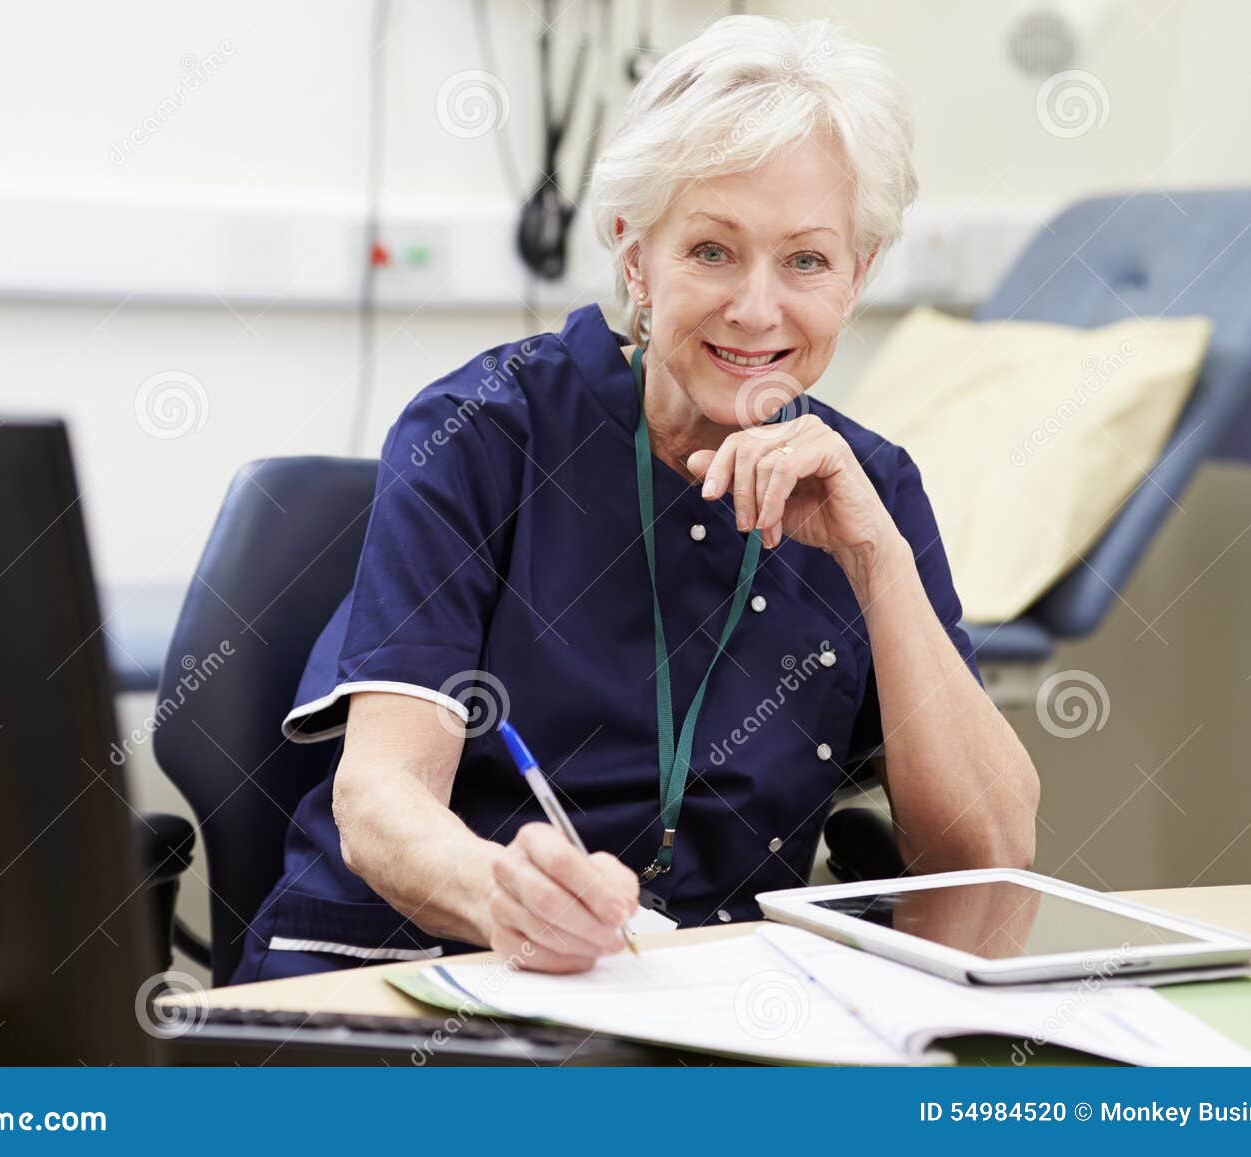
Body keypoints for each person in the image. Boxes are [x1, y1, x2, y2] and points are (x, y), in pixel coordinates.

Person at [232, 14, 1039, 983]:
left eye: (806, 260)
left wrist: (875, 555)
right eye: (710, 250)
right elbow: (379, 797)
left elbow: (993, 857)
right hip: (407, 975)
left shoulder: (870, 489)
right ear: (632, 254)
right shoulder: (483, 431)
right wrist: (505, 895)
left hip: (699, 1006)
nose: (754, 306)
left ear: (856, 277)